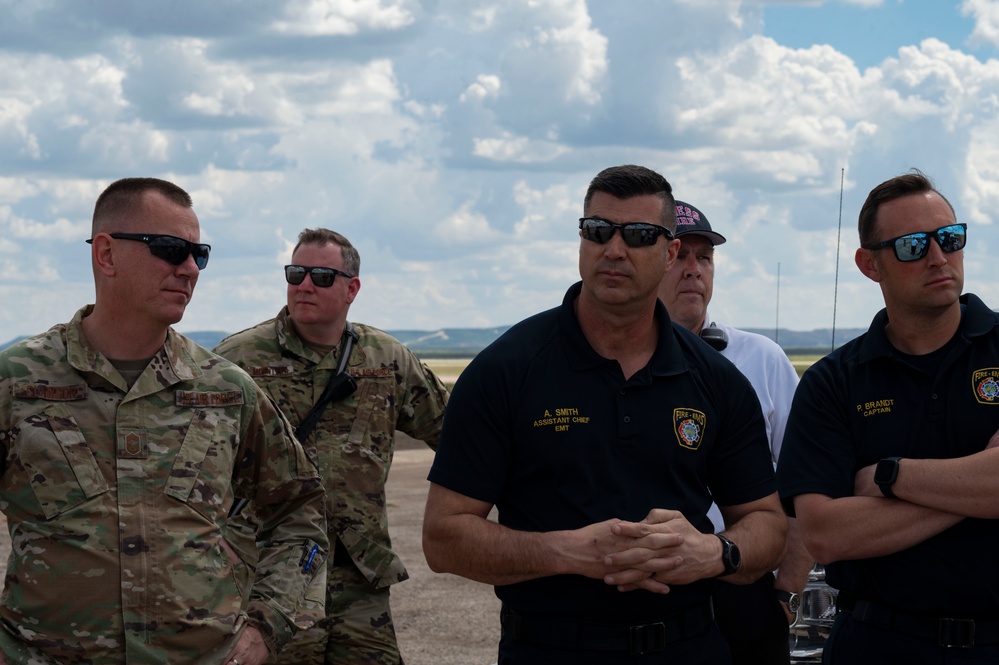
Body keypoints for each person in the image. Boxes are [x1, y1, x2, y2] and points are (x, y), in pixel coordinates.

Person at [422, 164, 787, 664]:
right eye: (598, 231)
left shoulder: (716, 380)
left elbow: (766, 523)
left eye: (638, 235)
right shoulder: (506, 370)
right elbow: (443, 538)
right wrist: (569, 552)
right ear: (581, 241)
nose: (614, 250)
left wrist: (711, 553)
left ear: (670, 252)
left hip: (687, 646)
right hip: (549, 649)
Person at [0, 177, 329, 665]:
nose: (190, 268)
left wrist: (266, 626)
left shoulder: (225, 390)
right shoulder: (17, 382)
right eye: (171, 249)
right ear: (106, 255)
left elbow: (301, 510)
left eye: (201, 253)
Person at [777, 170, 999, 663]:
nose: (938, 257)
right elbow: (827, 535)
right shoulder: (833, 382)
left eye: (949, 238)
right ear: (869, 264)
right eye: (913, 245)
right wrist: (978, 488)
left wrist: (890, 475)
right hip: (879, 644)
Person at [214, 228, 450, 665]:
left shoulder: (385, 359)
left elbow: (455, 434)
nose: (304, 284)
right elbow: (193, 465)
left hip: (359, 575)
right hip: (271, 580)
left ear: (351, 289)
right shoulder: (239, 362)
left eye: (321, 276)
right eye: (296, 273)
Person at [659, 200, 813, 663]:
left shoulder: (762, 358)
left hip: (741, 582)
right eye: (679, 255)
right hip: (648, 586)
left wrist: (784, 594)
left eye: (704, 258)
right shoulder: (611, 366)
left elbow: (806, 483)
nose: (693, 270)